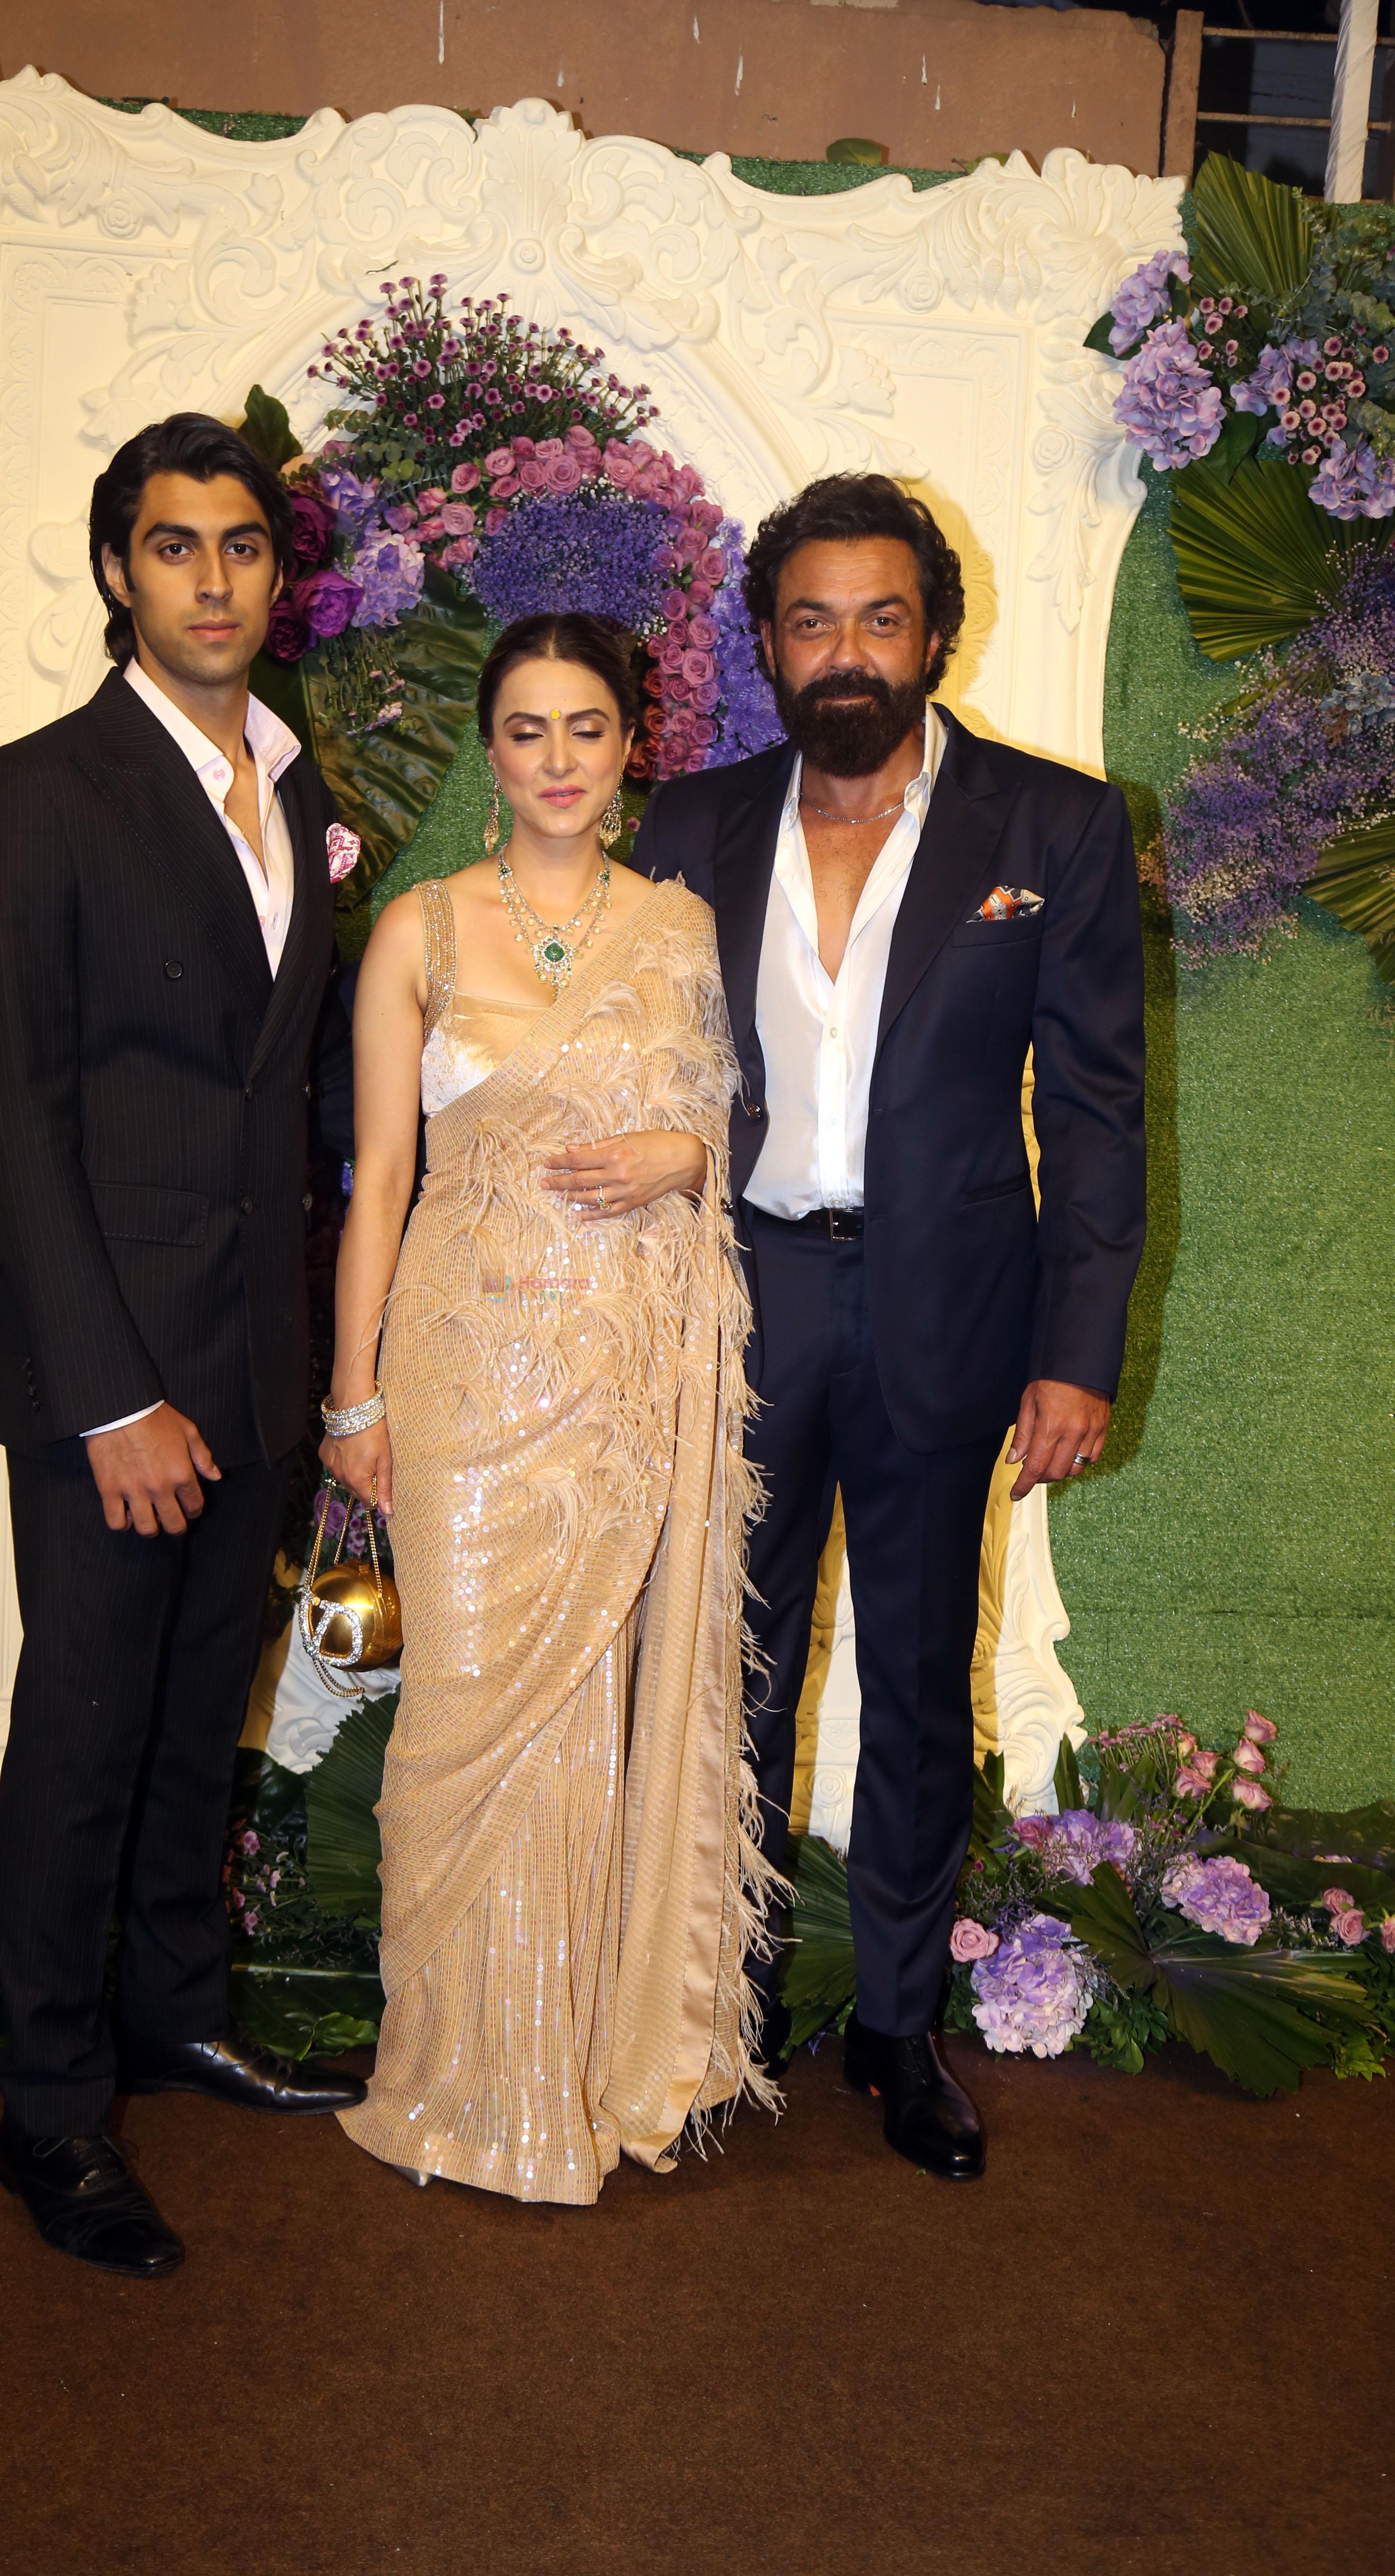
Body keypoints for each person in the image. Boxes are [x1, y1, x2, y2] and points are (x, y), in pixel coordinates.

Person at [637, 475, 1145, 2182]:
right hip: (744, 1302)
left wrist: (1078, 1350)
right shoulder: (685, 828)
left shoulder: (1051, 833)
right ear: (769, 643)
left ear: (933, 632)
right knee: (734, 1674)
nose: (844, 651)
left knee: (926, 1685)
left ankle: (899, 2029)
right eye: (809, 620)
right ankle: (726, 2010)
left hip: (950, 1313)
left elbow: (1093, 1115)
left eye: (878, 617)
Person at [0, 411, 365, 2282]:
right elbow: (16, 1114)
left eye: (244, 547)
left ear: (280, 574)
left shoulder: (296, 784)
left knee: (204, 1721)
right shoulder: (37, 792)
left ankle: (176, 2017)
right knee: (89, 1738)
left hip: (260, 1364)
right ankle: (49, 2116)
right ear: (118, 569)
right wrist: (114, 1395)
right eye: (176, 546)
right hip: (109, 1375)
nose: (215, 579)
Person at [320, 612, 777, 2204]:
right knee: (460, 1725)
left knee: (593, 1714)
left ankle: (573, 2077)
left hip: (618, 1378)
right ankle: (452, 2082)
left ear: (630, 742)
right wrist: (350, 1397)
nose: (561, 761)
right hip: (458, 1371)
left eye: (589, 729)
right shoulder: (421, 932)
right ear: (489, 746)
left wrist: (689, 1159)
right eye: (528, 731)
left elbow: (726, 1135)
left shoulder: (679, 929)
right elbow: (380, 1180)